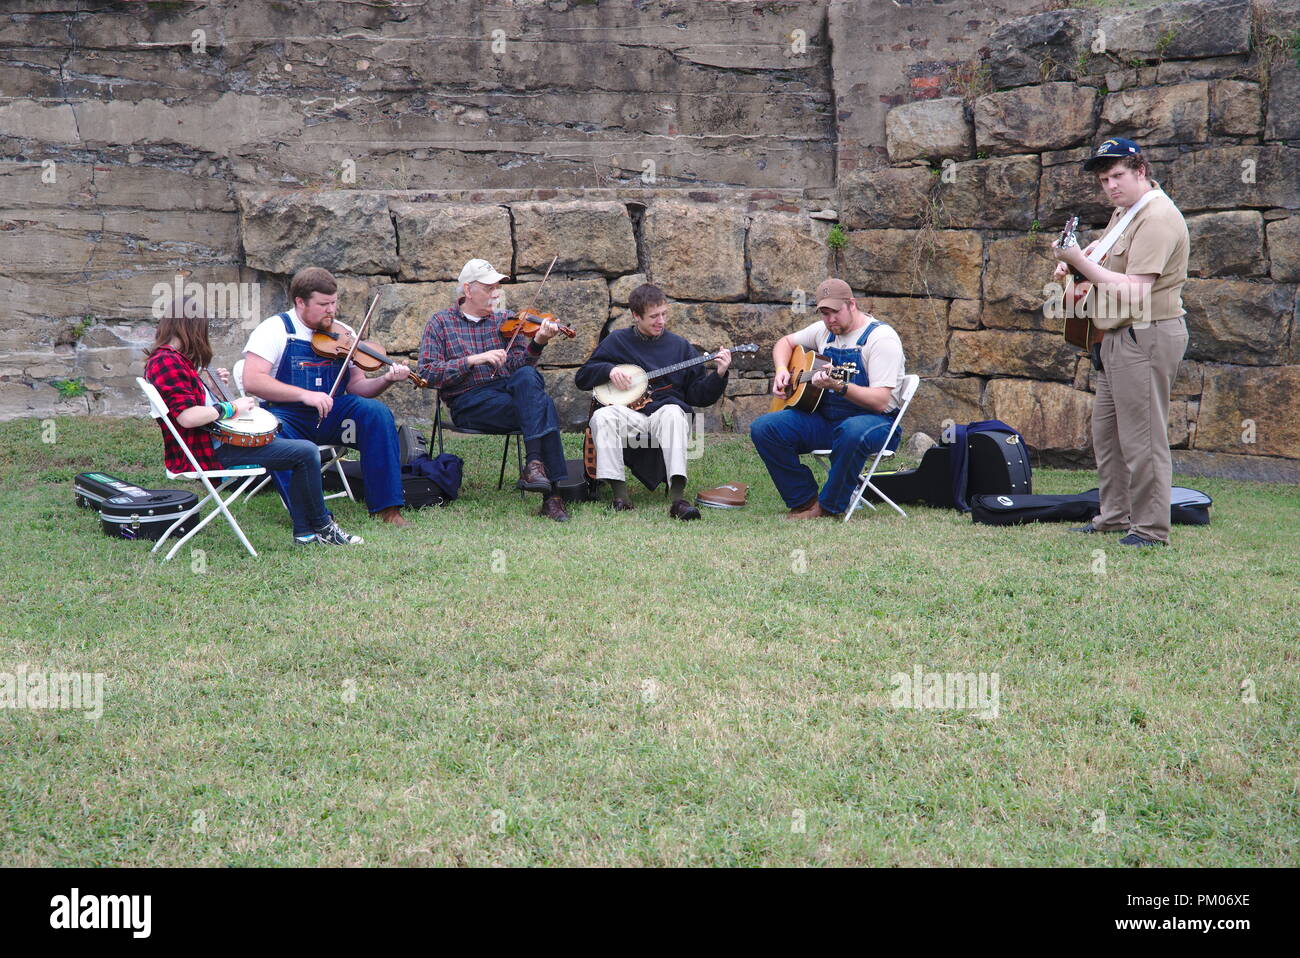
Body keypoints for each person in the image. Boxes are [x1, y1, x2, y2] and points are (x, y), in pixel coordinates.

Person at [1052, 137, 1189, 547]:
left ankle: (1150, 530)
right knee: (1108, 435)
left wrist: (1078, 261)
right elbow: (1109, 267)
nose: (1110, 185)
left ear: (1140, 171)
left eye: (1118, 176)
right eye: (1104, 180)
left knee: (1143, 438)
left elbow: (1134, 291)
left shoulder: (1157, 217)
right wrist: (1077, 264)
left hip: (1144, 333)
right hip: (1115, 334)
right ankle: (1114, 517)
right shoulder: (1126, 212)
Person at [142, 311, 364, 546]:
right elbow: (188, 417)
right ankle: (323, 528)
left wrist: (212, 391)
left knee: (300, 449)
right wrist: (232, 407)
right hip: (207, 450)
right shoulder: (167, 361)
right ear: (192, 329)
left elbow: (193, 406)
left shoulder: (171, 359)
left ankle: (306, 533)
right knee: (306, 452)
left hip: (212, 443)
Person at [241, 267, 412, 527]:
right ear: (300, 302)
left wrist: (386, 379)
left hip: (333, 413)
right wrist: (305, 395)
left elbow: (357, 387)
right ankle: (313, 517)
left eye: (333, 302)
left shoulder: (343, 332)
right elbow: (252, 380)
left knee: (376, 413)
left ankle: (387, 508)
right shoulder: (274, 330)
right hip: (288, 415)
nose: (331, 310)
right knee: (273, 432)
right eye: (323, 304)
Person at [416, 258, 571, 522]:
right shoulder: (441, 322)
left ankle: (534, 466)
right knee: (542, 404)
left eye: (497, 287)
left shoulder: (506, 321)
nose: (496, 294)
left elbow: (522, 368)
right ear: (468, 290)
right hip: (469, 402)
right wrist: (472, 360)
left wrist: (538, 342)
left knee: (528, 377)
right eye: (489, 288)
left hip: (508, 392)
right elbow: (426, 373)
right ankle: (553, 496)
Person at [750, 278, 906, 519]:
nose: (830, 319)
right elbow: (785, 342)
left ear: (851, 304)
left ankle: (829, 507)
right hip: (828, 421)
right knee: (765, 428)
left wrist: (839, 386)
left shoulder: (880, 338)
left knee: (851, 431)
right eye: (824, 313)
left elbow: (880, 401)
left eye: (835, 312)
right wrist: (781, 369)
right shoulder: (823, 331)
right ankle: (804, 501)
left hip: (876, 423)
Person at [574, 283, 731, 519]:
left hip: (663, 414)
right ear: (636, 316)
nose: (661, 321)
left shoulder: (680, 347)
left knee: (673, 413)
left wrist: (719, 374)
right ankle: (620, 497)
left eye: (664, 314)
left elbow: (699, 395)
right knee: (602, 416)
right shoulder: (617, 341)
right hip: (630, 415)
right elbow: (583, 377)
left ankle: (678, 500)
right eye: (654, 316)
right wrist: (609, 370)